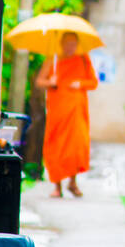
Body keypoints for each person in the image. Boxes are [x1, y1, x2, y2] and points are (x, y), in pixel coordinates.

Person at [35, 31, 98, 198]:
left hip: (76, 111)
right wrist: (51, 82)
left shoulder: (83, 59)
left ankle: (72, 182)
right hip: (58, 111)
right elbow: (39, 82)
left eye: (73, 44)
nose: (71, 47)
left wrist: (80, 83)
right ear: (62, 44)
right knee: (56, 146)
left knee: (76, 146)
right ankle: (57, 186)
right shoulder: (53, 60)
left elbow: (93, 82)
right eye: (68, 44)